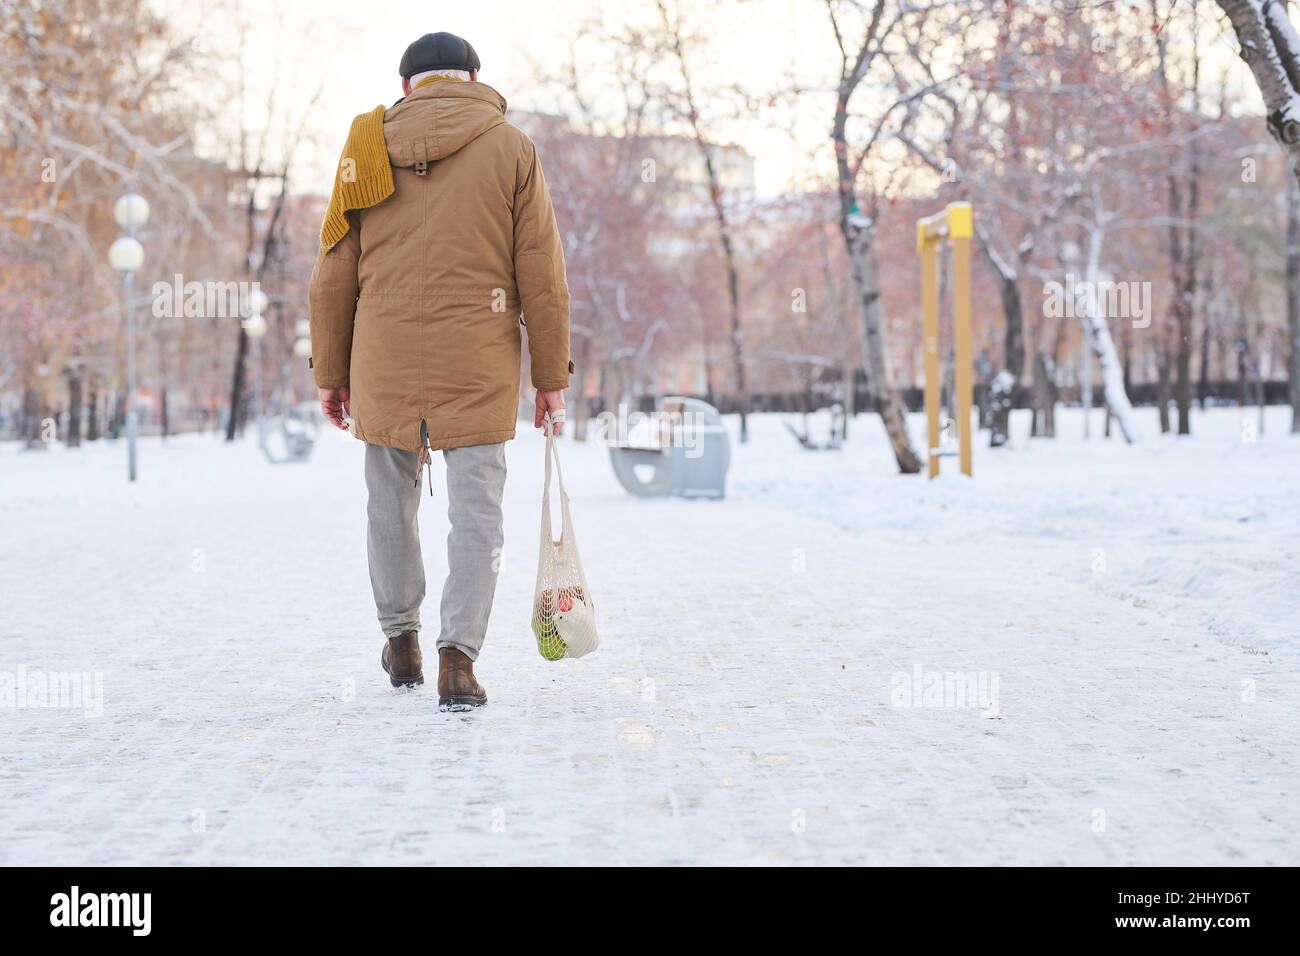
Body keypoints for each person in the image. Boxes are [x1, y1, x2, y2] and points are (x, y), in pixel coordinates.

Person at [308, 31, 572, 711]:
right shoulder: (511, 147)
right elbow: (541, 273)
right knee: (477, 511)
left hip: (383, 358)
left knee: (388, 501)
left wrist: (331, 373)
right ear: (474, 77)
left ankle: (401, 640)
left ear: (407, 87)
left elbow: (334, 270)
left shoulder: (364, 145)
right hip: (477, 359)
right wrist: (551, 376)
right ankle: (460, 657)